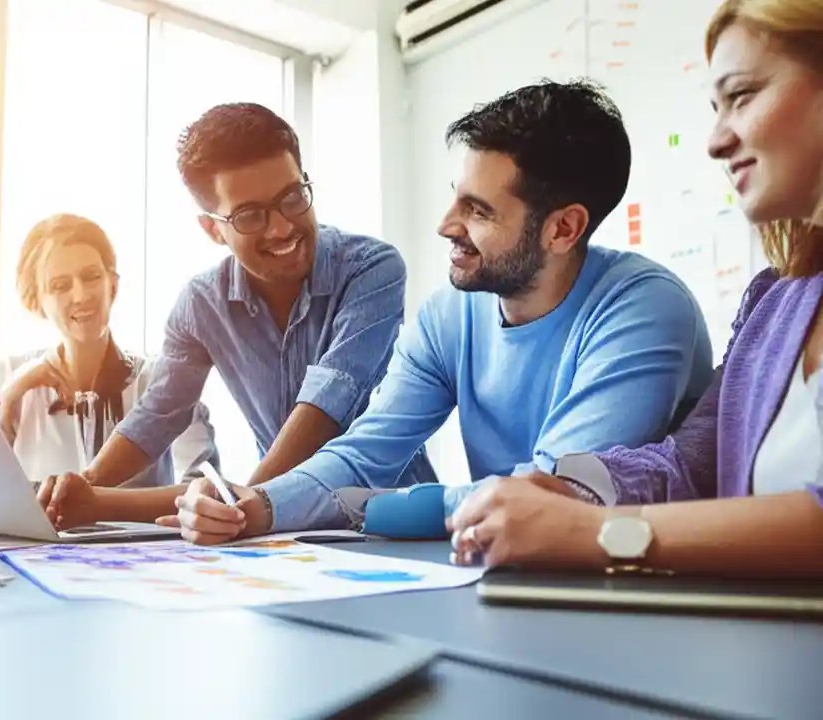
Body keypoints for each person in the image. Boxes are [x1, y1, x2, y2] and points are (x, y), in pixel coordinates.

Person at [169, 81, 716, 545]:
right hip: (509, 566)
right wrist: (258, 505)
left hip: (639, 586)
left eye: (478, 211)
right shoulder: (448, 316)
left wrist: (377, 507)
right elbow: (366, 451)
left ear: (563, 229)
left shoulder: (645, 309)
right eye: (457, 197)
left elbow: (554, 491)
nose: (446, 225)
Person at [447, 0, 823, 577]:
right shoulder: (775, 301)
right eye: (716, 108)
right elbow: (690, 466)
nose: (715, 141)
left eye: (743, 96)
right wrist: (572, 488)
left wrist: (600, 533)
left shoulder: (645, 301)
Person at [37, 102, 434, 529]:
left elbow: (329, 403)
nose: (281, 227)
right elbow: (158, 414)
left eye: (292, 197)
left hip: (388, 522)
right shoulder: (201, 304)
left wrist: (242, 506)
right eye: (249, 216)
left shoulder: (371, 269)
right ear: (213, 229)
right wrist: (82, 487)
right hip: (280, 532)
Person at [0, 213, 217, 487]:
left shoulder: (161, 378)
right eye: (60, 286)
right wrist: (8, 400)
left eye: (92, 277)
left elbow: (205, 483)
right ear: (36, 298)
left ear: (113, 285)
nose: (81, 296)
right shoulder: (6, 375)